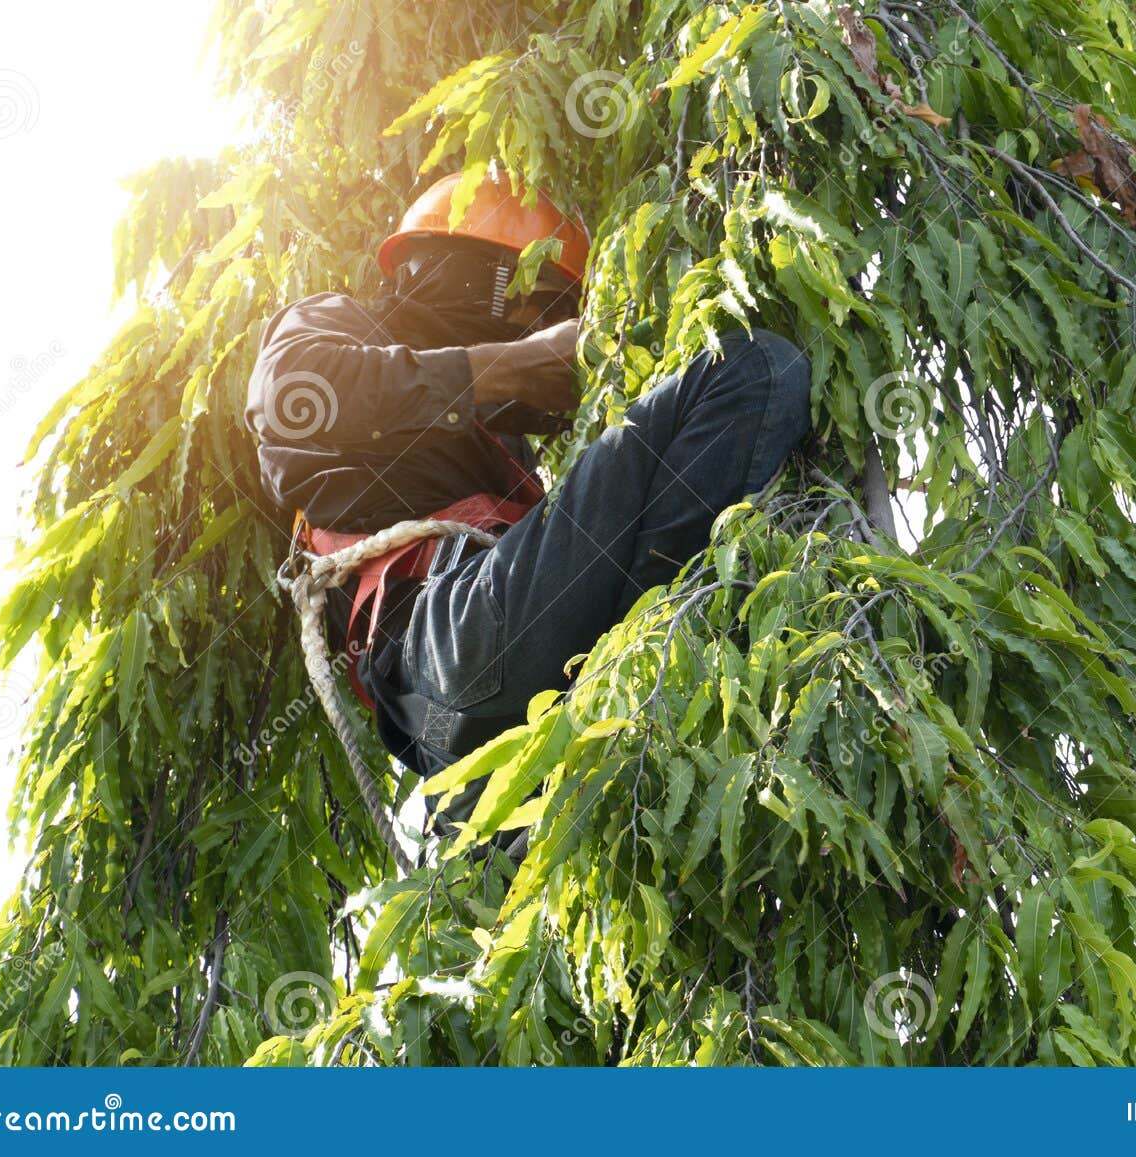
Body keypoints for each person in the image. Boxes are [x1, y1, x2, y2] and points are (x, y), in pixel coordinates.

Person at [246, 171, 812, 807]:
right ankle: (656, 645)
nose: (536, 328)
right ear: (480, 276)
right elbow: (290, 394)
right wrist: (512, 366)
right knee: (755, 366)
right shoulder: (343, 323)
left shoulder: (495, 440)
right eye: (538, 303)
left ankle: (645, 663)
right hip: (447, 642)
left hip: (472, 734)